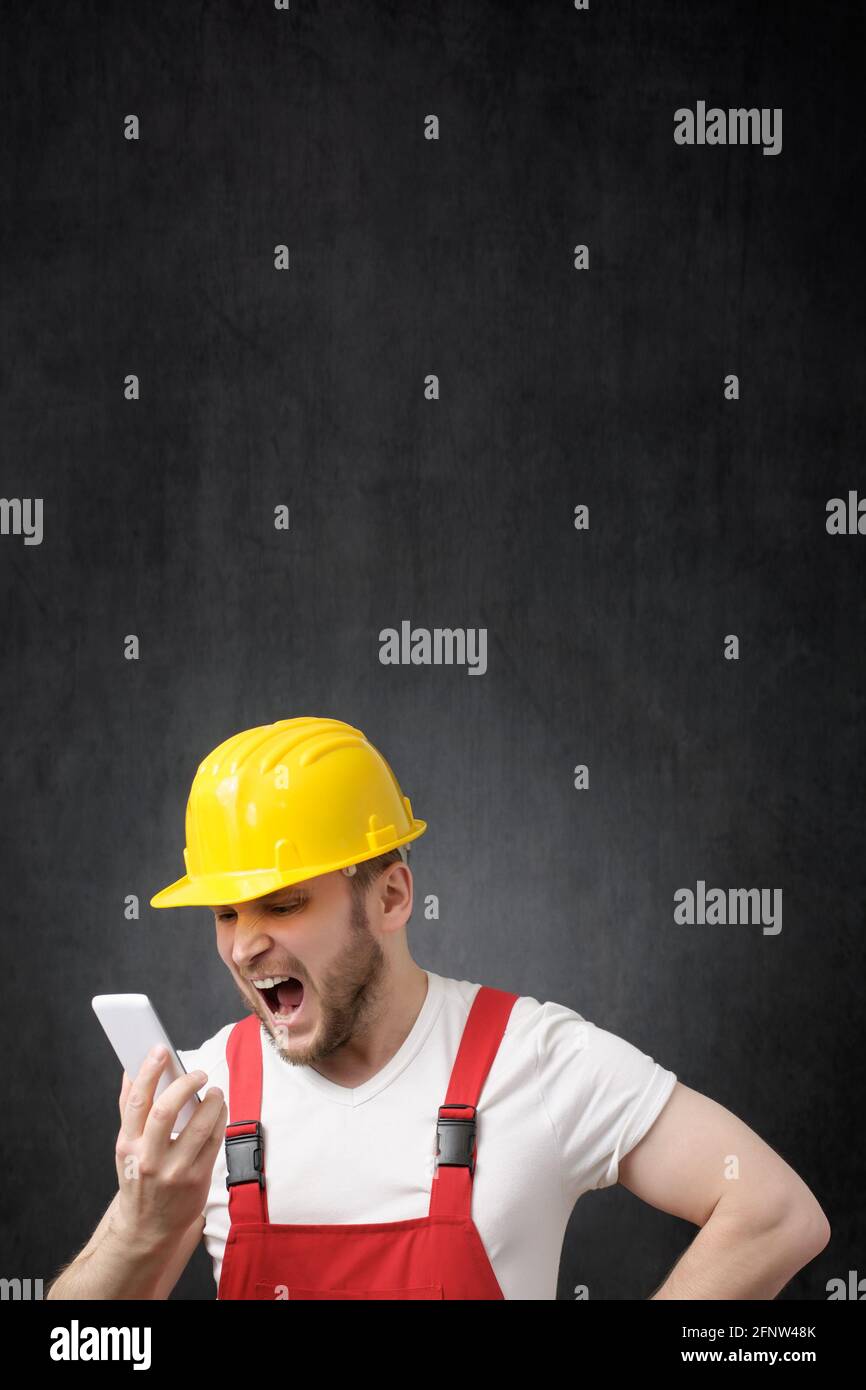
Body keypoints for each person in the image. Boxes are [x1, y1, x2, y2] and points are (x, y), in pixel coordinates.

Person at [47, 717, 830, 1300]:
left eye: (281, 905)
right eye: (225, 914)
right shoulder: (207, 1095)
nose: (245, 946)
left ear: (389, 896)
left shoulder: (535, 1059)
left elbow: (773, 1211)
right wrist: (141, 1220)